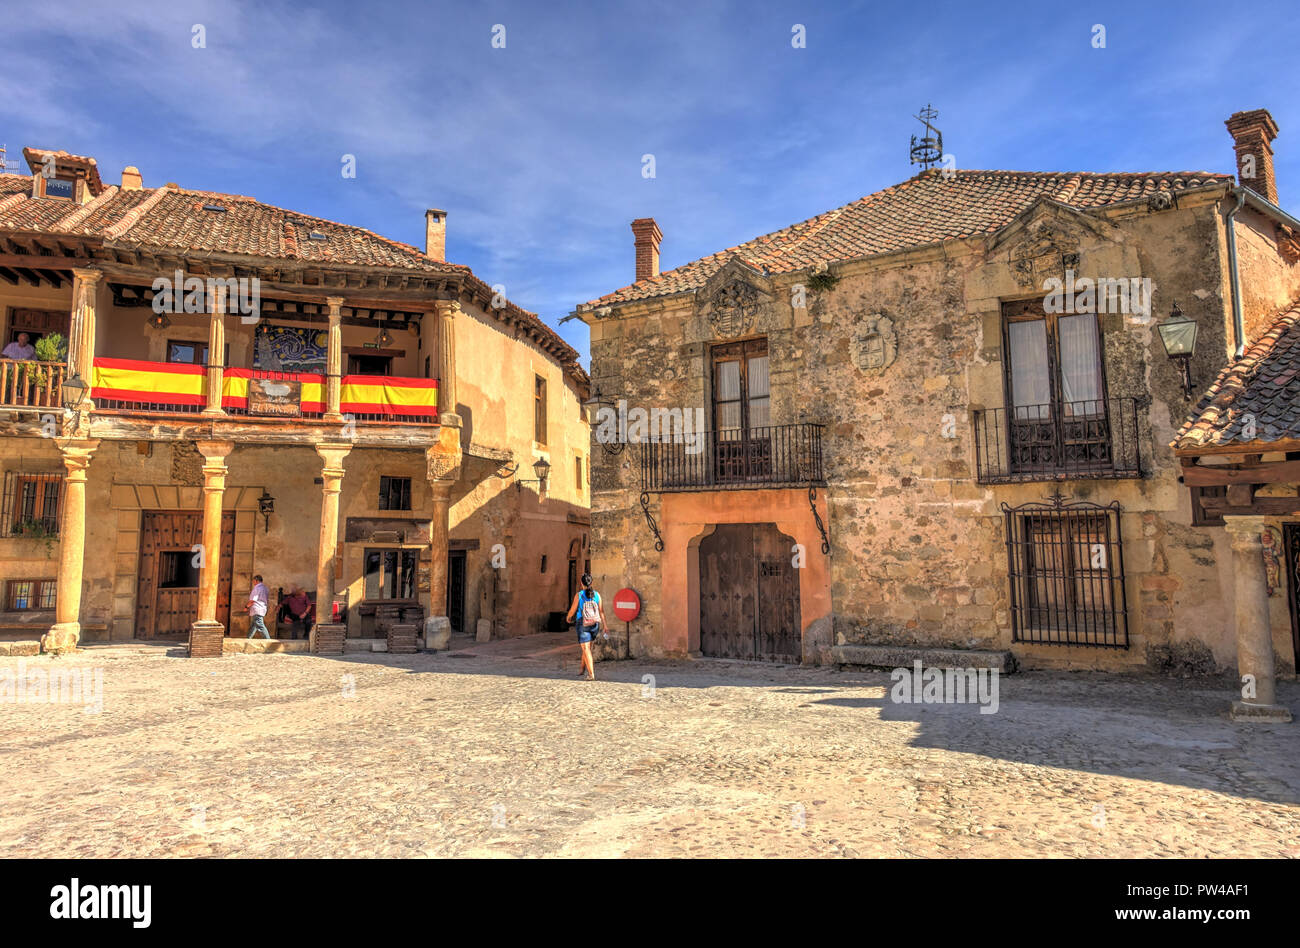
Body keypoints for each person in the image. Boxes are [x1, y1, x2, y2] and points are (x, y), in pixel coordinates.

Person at [565, 573, 606, 681]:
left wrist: (568, 617)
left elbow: (572, 610)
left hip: (583, 624)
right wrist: (605, 626)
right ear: (591, 583)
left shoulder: (579, 595)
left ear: (581, 583)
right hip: (595, 624)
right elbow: (601, 612)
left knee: (586, 648)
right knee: (587, 648)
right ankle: (582, 669)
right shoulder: (597, 595)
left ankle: (591, 674)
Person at [246, 574, 270, 639]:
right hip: (262, 608)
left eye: (253, 581)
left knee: (260, 625)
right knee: (253, 625)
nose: (253, 582)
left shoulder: (257, 588)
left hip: (257, 609)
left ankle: (268, 640)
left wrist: (247, 607)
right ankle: (248, 638)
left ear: (256, 580)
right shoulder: (265, 588)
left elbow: (253, 600)